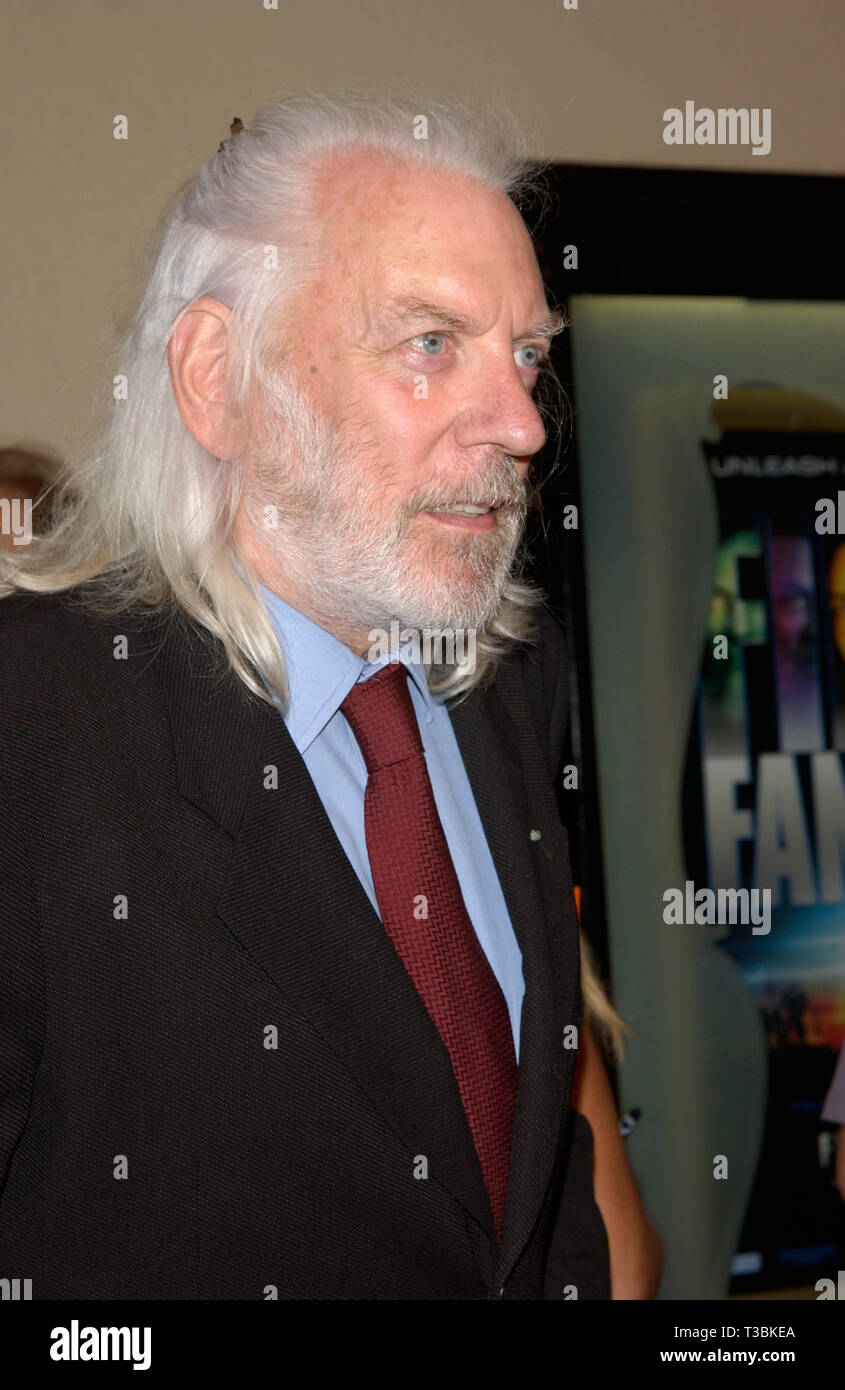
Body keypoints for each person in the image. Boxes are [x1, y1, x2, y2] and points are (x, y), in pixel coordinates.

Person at [0, 92, 658, 1299]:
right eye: (428, 345)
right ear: (217, 377)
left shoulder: (510, 690)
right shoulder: (37, 725)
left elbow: (536, 1209)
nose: (519, 422)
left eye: (524, 357)